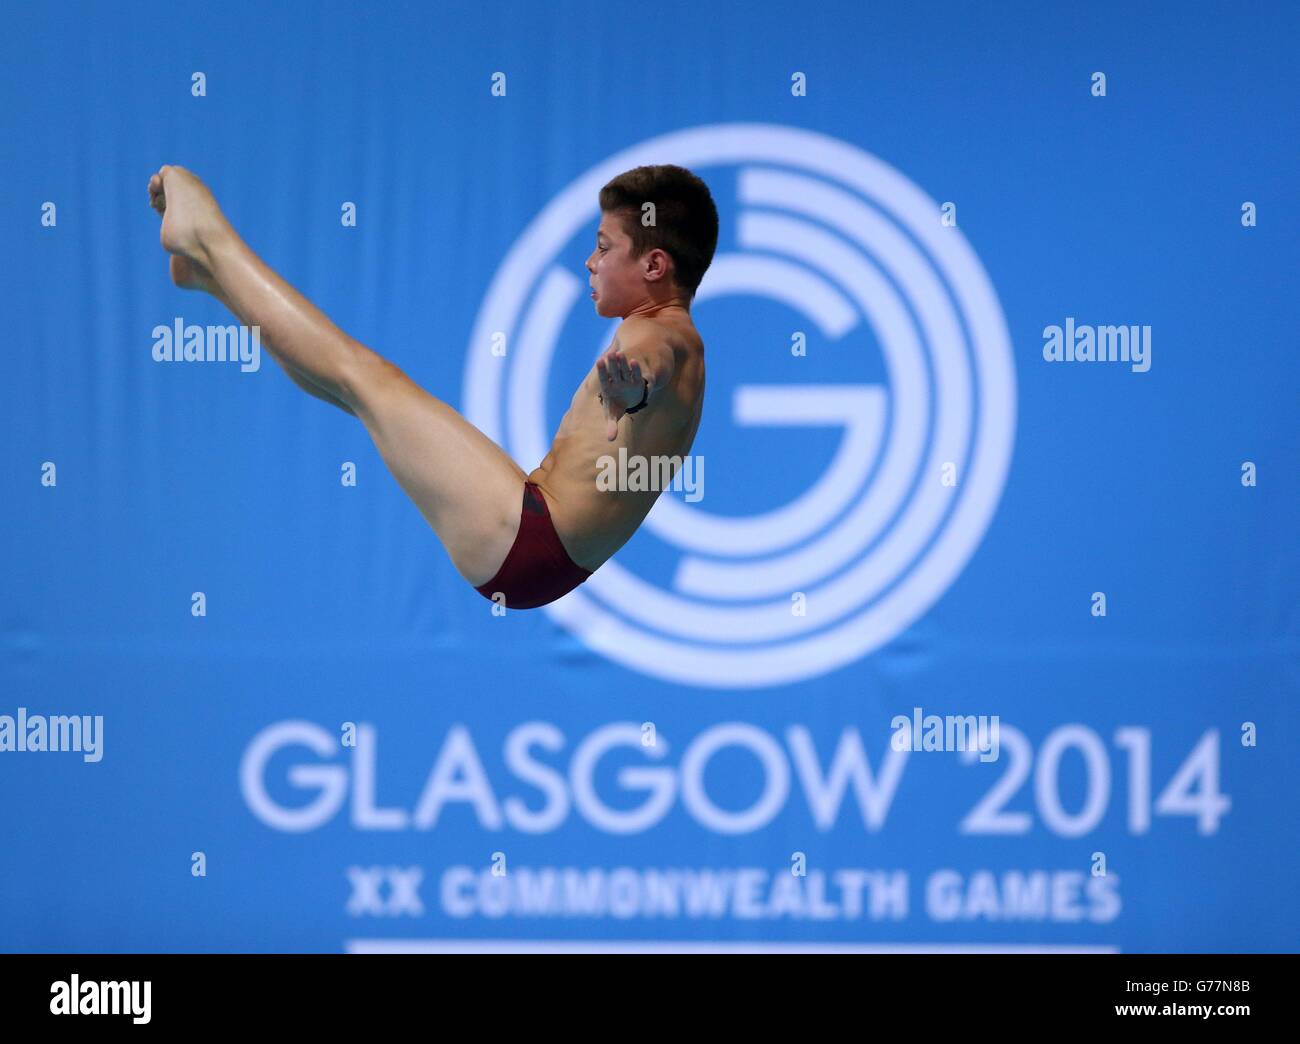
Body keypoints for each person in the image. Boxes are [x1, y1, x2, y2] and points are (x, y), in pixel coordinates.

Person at [148, 162, 718, 609]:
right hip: (540, 553)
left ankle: (209, 241)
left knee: (363, 375)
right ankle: (212, 277)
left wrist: (633, 390)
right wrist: (633, 398)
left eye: (603, 246)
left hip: (528, 536)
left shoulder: (665, 337)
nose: (589, 262)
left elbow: (651, 363)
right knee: (356, 393)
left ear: (654, 266)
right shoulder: (673, 335)